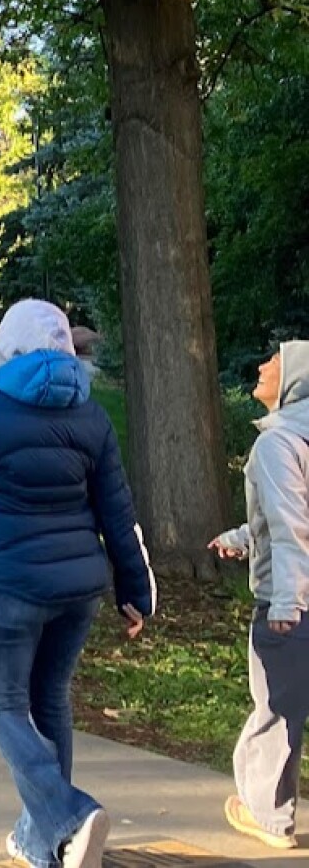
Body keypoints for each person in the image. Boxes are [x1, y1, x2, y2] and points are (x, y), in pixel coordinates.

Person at [0, 298, 153, 868]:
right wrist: (136, 590)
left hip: (10, 588)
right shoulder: (90, 416)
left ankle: (69, 815)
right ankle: (48, 844)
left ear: (6, 348)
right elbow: (118, 513)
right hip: (79, 591)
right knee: (49, 699)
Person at [212, 341, 309, 852]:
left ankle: (267, 815)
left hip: (292, 601)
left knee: (275, 708)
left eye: (274, 359)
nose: (263, 366)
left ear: (293, 379)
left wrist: (286, 604)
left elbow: (293, 530)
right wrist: (243, 538)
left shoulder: (278, 444)